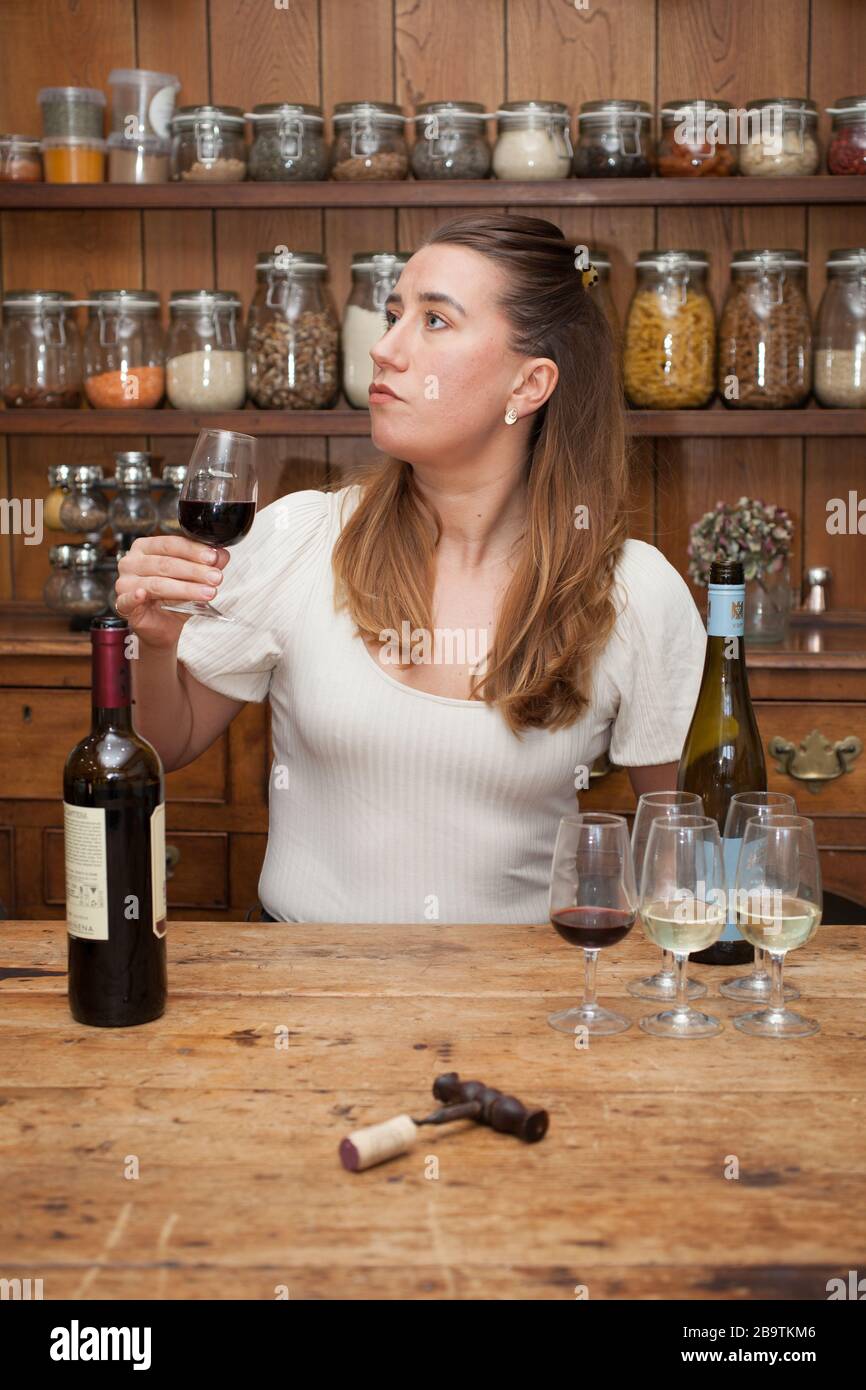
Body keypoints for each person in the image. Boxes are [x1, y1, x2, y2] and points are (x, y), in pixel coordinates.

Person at [117, 214, 706, 924]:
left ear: (530, 385)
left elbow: (681, 852)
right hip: (306, 997)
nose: (384, 349)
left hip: (523, 1006)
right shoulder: (304, 538)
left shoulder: (633, 591)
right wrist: (154, 643)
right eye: (393, 314)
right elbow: (165, 745)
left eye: (434, 321)